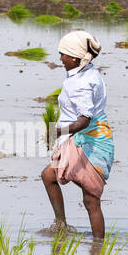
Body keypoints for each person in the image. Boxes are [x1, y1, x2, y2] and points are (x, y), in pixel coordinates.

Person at [41, 30, 113, 239]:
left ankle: (93, 244)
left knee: (90, 200)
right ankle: (68, 228)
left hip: (88, 142)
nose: (60, 58)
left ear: (74, 58)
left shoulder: (80, 83)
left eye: (63, 54)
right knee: (87, 198)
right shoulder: (89, 73)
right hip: (96, 138)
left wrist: (57, 131)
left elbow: (84, 120)